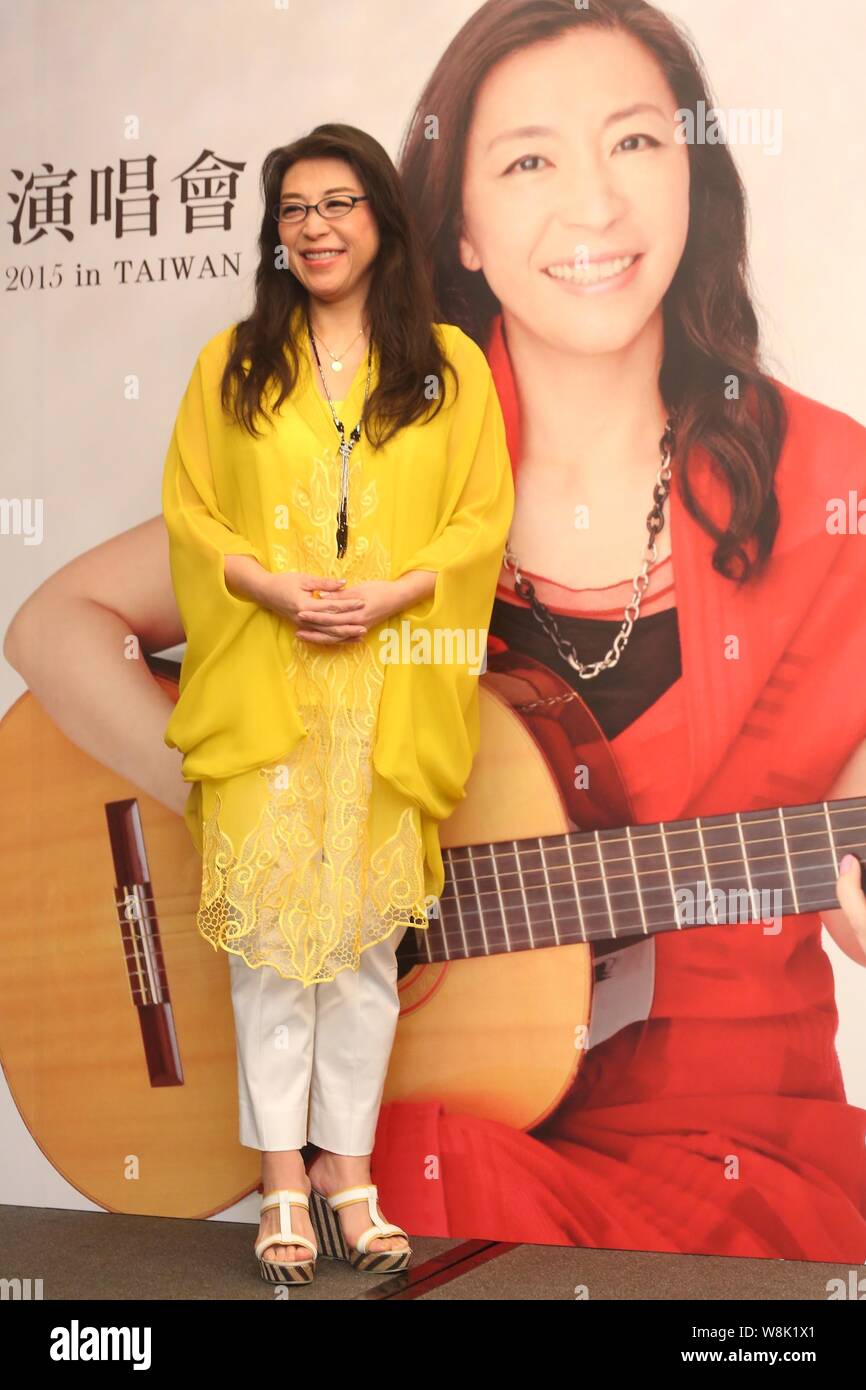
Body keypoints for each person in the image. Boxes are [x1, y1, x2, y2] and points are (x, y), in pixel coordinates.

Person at [361, 0, 866, 1260]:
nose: (591, 205)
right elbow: (60, 624)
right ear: (461, 228)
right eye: (528, 159)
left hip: (729, 1139)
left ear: (691, 173)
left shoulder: (835, 491)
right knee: (380, 1181)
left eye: (634, 144)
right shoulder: (373, 474)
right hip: (437, 1112)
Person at [6, 123, 514, 1284]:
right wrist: (264, 587)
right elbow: (194, 517)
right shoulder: (235, 364)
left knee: (365, 955)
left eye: (338, 203)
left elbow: (476, 519)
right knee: (272, 955)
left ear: (381, 219)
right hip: (267, 693)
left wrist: (393, 590)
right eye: (293, 209)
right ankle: (282, 1182)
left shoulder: (444, 366)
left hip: (384, 698)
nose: (316, 227)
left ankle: (349, 1173)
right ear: (274, 234)